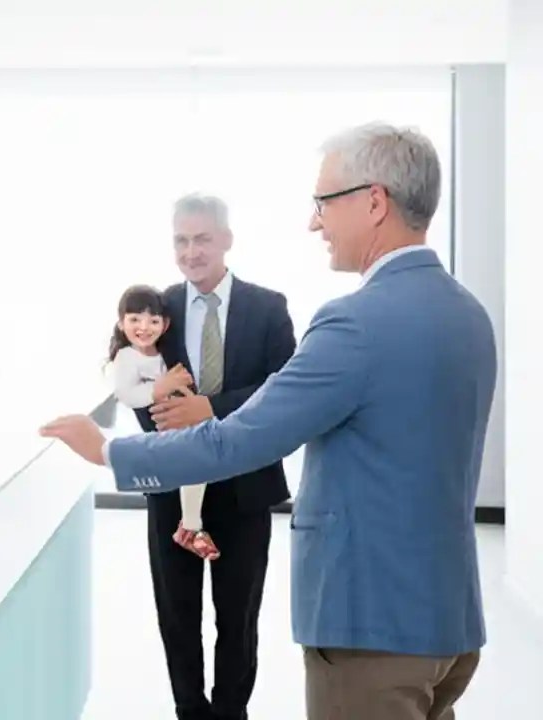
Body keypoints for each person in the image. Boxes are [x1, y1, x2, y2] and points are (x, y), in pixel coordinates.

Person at [42, 124, 493, 720]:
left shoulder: (355, 324)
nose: (314, 223)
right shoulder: (468, 314)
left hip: (371, 630)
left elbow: (243, 437)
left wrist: (110, 453)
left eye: (324, 203)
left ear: (375, 202)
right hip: (448, 622)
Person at [117, 194, 297, 720]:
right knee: (177, 614)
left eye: (201, 239)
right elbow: (130, 375)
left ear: (226, 241)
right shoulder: (159, 309)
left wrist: (209, 408)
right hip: (172, 483)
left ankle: (230, 713)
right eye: (181, 240)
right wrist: (163, 412)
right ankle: (189, 710)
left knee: (237, 615)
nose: (190, 251)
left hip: (245, 486)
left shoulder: (269, 307)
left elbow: (284, 391)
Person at [102, 285, 208, 559]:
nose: (144, 327)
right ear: (121, 322)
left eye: (153, 320)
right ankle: (190, 526)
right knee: (194, 469)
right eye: (135, 319)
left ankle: (190, 525)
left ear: (165, 324)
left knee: (199, 472)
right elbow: (126, 394)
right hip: (163, 430)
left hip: (184, 422)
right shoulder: (127, 357)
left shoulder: (163, 353)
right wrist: (161, 387)